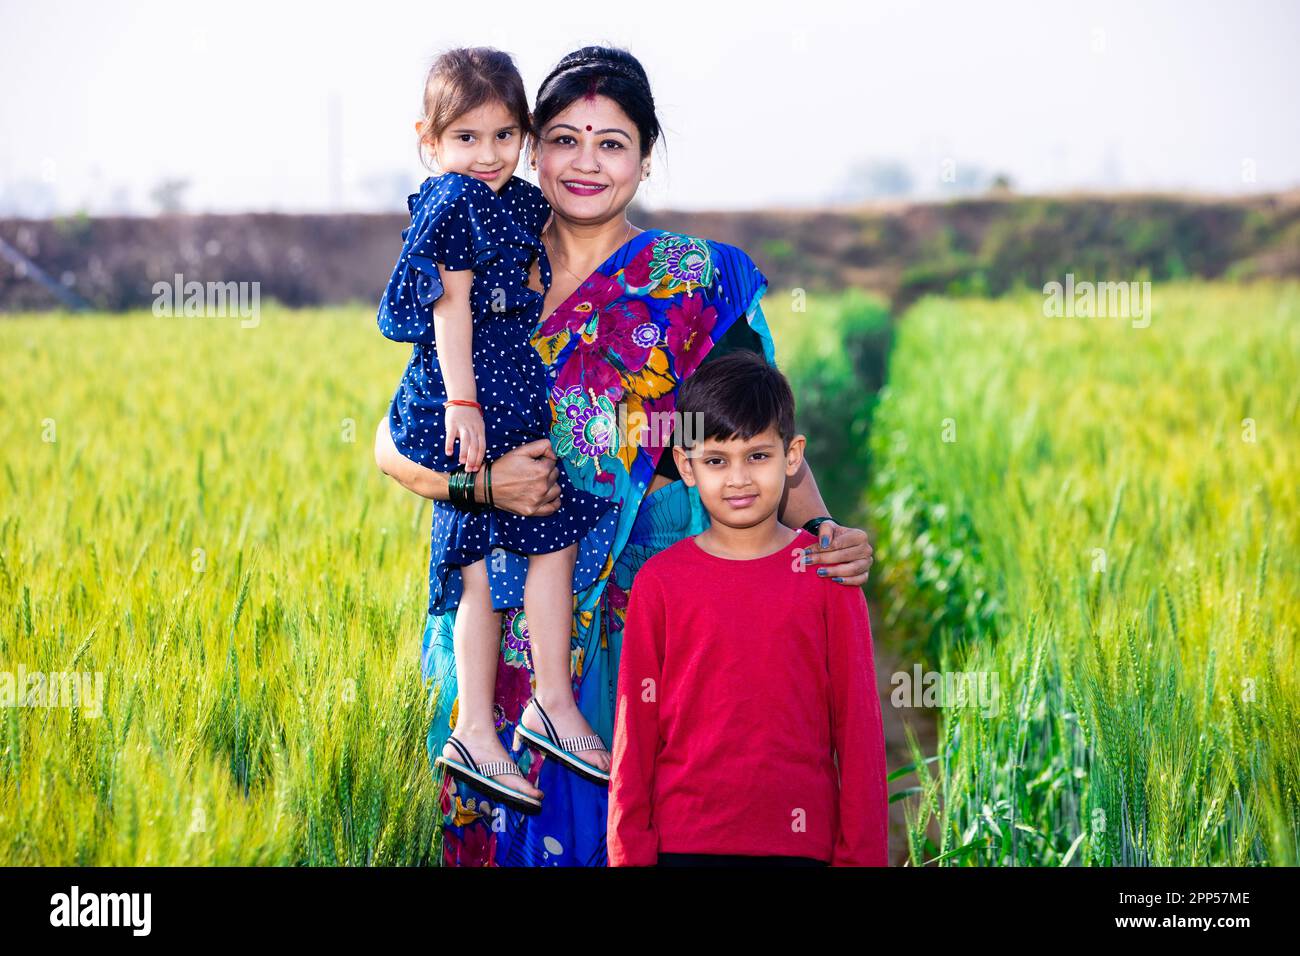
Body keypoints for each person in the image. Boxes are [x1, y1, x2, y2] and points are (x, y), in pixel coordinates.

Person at [373, 45, 876, 867]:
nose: (585, 162)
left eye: (612, 143)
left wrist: (820, 527)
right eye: (565, 138)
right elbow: (394, 437)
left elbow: (752, 430)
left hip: (646, 627)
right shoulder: (485, 251)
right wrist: (477, 483)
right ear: (533, 147)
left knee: (627, 833)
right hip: (493, 628)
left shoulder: (686, 283)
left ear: (645, 156)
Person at [375, 46, 618, 811]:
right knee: (479, 566)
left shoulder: (514, 202)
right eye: (466, 138)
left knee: (551, 526)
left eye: (503, 136)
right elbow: (448, 308)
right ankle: (476, 726)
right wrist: (463, 407)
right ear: (430, 139)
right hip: (465, 396)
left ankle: (548, 698)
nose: (487, 155)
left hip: (506, 389)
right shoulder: (452, 201)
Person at [607, 350, 889, 867]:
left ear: (793, 455)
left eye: (757, 455)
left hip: (801, 848)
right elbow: (635, 734)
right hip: (684, 848)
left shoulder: (829, 578)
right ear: (686, 467)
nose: (737, 479)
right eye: (716, 460)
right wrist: (629, 856)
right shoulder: (659, 584)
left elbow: (860, 735)